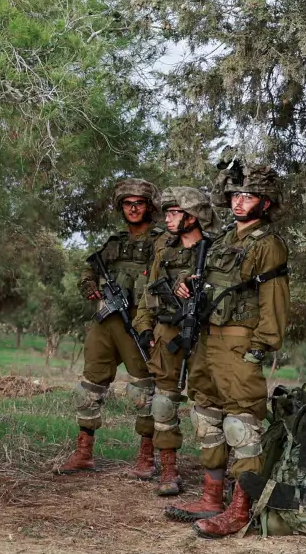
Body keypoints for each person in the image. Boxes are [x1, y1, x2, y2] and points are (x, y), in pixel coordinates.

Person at [184, 164, 290, 539]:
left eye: (248, 196)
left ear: (265, 202)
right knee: (206, 416)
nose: (239, 202)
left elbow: (273, 300)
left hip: (239, 341)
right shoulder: (224, 238)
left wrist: (260, 347)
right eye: (235, 196)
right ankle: (212, 497)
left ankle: (240, 510)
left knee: (241, 425)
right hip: (207, 339)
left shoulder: (268, 244)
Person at [60, 179, 159, 476]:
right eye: (128, 203)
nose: (133, 208)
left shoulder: (161, 242)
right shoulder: (114, 242)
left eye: (139, 203)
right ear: (121, 207)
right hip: (106, 320)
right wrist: (88, 284)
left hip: (137, 322)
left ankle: (146, 457)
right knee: (90, 385)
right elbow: (89, 269)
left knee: (144, 390)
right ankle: (83, 452)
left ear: (149, 206)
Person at [138, 186, 212, 499]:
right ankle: (168, 470)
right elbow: (147, 294)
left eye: (175, 212)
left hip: (205, 336)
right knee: (163, 402)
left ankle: (214, 479)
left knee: (208, 408)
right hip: (167, 332)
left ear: (194, 216)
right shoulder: (164, 251)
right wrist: (144, 327)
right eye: (166, 213)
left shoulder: (212, 252)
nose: (168, 219)